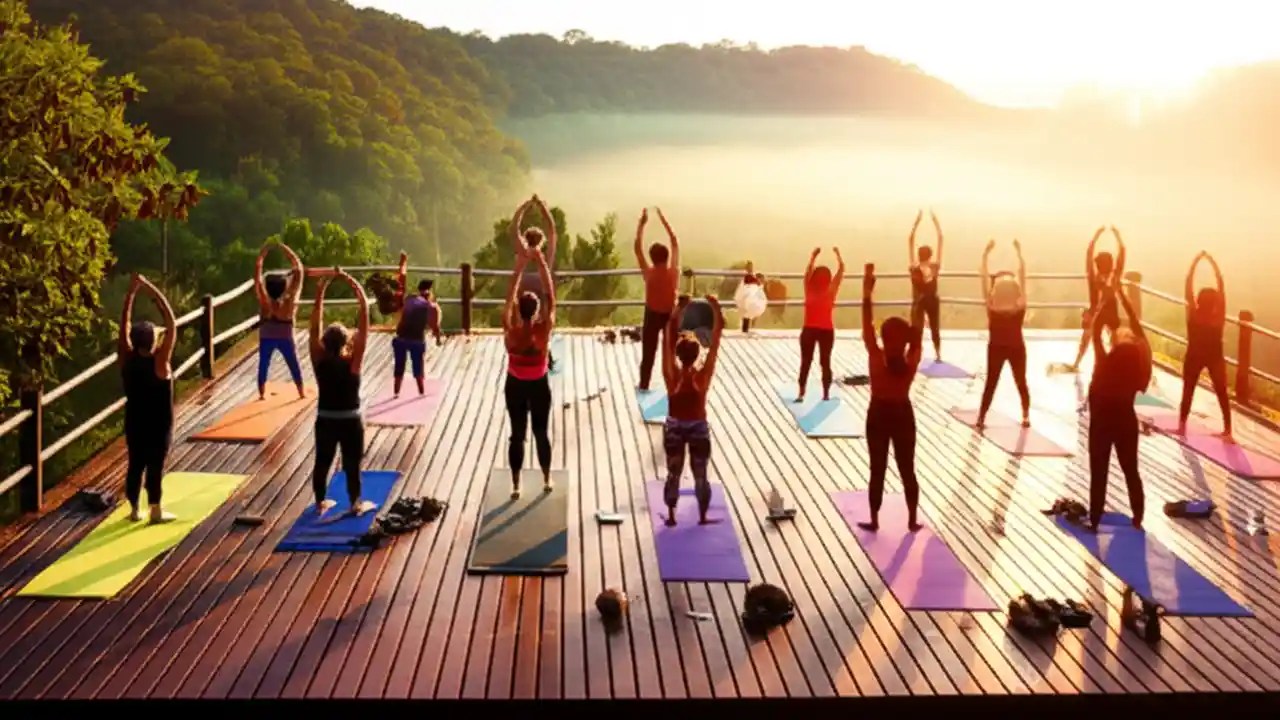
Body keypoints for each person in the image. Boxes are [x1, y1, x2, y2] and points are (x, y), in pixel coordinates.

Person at [859, 263, 924, 532]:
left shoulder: (877, 356)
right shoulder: (911, 359)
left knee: (878, 468)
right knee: (907, 468)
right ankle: (911, 521)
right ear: (906, 340)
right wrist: (917, 288)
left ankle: (875, 520)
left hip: (878, 414)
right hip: (902, 414)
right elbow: (918, 326)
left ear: (884, 337)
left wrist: (866, 291)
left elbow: (866, 325)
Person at [1086, 288, 1152, 532]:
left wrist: (1103, 303)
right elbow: (1139, 332)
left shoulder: (1103, 364)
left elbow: (1094, 333)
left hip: (1102, 425)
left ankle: (1094, 519)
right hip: (1125, 422)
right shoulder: (1138, 369)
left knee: (1099, 471)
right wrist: (1124, 297)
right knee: (1130, 470)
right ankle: (1138, 517)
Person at [309, 268, 373, 515]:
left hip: (325, 419)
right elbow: (365, 322)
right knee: (352, 465)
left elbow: (314, 326)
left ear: (324, 342)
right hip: (350, 421)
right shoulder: (353, 363)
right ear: (346, 342)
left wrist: (320, 292)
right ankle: (355, 504)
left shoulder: (319, 361)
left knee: (322, 462)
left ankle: (320, 503)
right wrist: (355, 286)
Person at [119, 273, 178, 524]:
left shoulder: (126, 359)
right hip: (158, 426)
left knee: (135, 464)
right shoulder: (160, 363)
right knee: (155, 466)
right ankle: (155, 510)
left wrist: (131, 294)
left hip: (135, 423)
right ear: (154, 341)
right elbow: (172, 323)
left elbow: (123, 324)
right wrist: (151, 290)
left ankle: (134, 510)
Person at [660, 294, 724, 526]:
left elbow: (667, 338)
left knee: (673, 473)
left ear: (678, 354)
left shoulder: (671, 375)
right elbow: (716, 340)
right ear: (697, 355)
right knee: (700, 474)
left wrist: (678, 310)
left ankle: (671, 516)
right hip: (697, 426)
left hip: (675, 426)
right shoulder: (702, 376)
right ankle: (703, 516)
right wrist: (715, 310)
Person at [503, 244, 556, 499]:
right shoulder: (543, 330)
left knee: (517, 435)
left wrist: (521, 263)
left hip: (514, 385)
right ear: (535, 311)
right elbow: (550, 295)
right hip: (538, 385)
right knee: (541, 432)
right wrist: (541, 262)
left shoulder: (511, 330)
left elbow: (510, 294)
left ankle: (515, 485)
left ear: (518, 309)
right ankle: (546, 480)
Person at [976, 239, 1031, 428]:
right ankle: (1025, 415)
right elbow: (1024, 280)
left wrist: (985, 256)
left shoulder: (992, 308)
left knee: (992, 383)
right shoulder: (1019, 307)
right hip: (1015, 348)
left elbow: (984, 282)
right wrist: (1019, 254)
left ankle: (981, 417)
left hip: (999, 348)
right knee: (1020, 382)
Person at [1179, 251, 1232, 440]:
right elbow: (1223, 292)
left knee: (1188, 390)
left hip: (1194, 355)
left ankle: (1182, 424)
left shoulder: (1193, 314)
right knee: (1221, 392)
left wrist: (1194, 264)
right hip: (1214, 357)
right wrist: (1214, 267)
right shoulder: (1217, 318)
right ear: (1215, 303)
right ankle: (1227, 430)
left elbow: (1188, 289)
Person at [634, 207, 680, 391]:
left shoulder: (649, 273)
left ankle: (644, 385)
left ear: (652, 258)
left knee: (649, 353)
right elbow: (675, 241)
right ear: (667, 257)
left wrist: (642, 224)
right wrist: (664, 220)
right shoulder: (673, 272)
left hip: (652, 315)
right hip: (670, 314)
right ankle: (674, 384)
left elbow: (637, 248)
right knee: (670, 354)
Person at [254, 241, 306, 400]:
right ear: (284, 286)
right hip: (285, 336)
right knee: (293, 364)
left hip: (267, 335)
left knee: (263, 365)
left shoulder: (265, 300)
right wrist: (286, 250)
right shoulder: (289, 301)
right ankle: (301, 392)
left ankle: (262, 393)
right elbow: (299, 271)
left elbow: (257, 276)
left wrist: (262, 255)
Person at [511, 194, 558, 370]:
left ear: (525, 238)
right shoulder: (544, 259)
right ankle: (545, 359)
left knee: (521, 330)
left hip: (522, 299)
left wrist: (524, 207)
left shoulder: (523, 254)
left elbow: (514, 228)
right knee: (543, 332)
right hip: (542, 299)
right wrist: (542, 207)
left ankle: (523, 358)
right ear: (541, 241)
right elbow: (553, 231)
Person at [1070, 226, 1126, 372]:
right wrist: (1116, 237)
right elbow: (1121, 255)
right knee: (1106, 338)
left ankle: (1078, 362)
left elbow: (1090, 256)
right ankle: (1079, 362)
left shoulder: (1097, 278)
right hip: (1103, 310)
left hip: (1100, 310)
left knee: (1094, 337)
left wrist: (1097, 237)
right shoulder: (1110, 277)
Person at [797, 247, 845, 402]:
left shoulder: (809, 288)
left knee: (806, 361)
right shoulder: (831, 290)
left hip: (809, 329)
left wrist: (813, 257)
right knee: (825, 362)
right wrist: (837, 255)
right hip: (826, 330)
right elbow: (841, 271)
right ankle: (825, 394)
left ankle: (801, 392)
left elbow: (807, 272)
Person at [391, 252, 442, 397]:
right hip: (416, 340)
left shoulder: (409, 299)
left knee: (399, 367)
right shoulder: (431, 307)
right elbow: (435, 327)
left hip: (400, 338)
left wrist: (403, 265)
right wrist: (438, 338)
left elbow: (401, 283)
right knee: (418, 367)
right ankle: (421, 392)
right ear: (430, 294)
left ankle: (396, 393)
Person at [908, 210, 944, 361]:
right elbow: (941, 239)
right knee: (935, 328)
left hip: (919, 301)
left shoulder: (914, 267)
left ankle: (915, 354)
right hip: (932, 300)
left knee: (917, 329)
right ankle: (938, 354)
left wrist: (916, 223)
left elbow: (910, 239)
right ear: (930, 254)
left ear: (919, 254)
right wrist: (936, 222)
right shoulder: (935, 266)